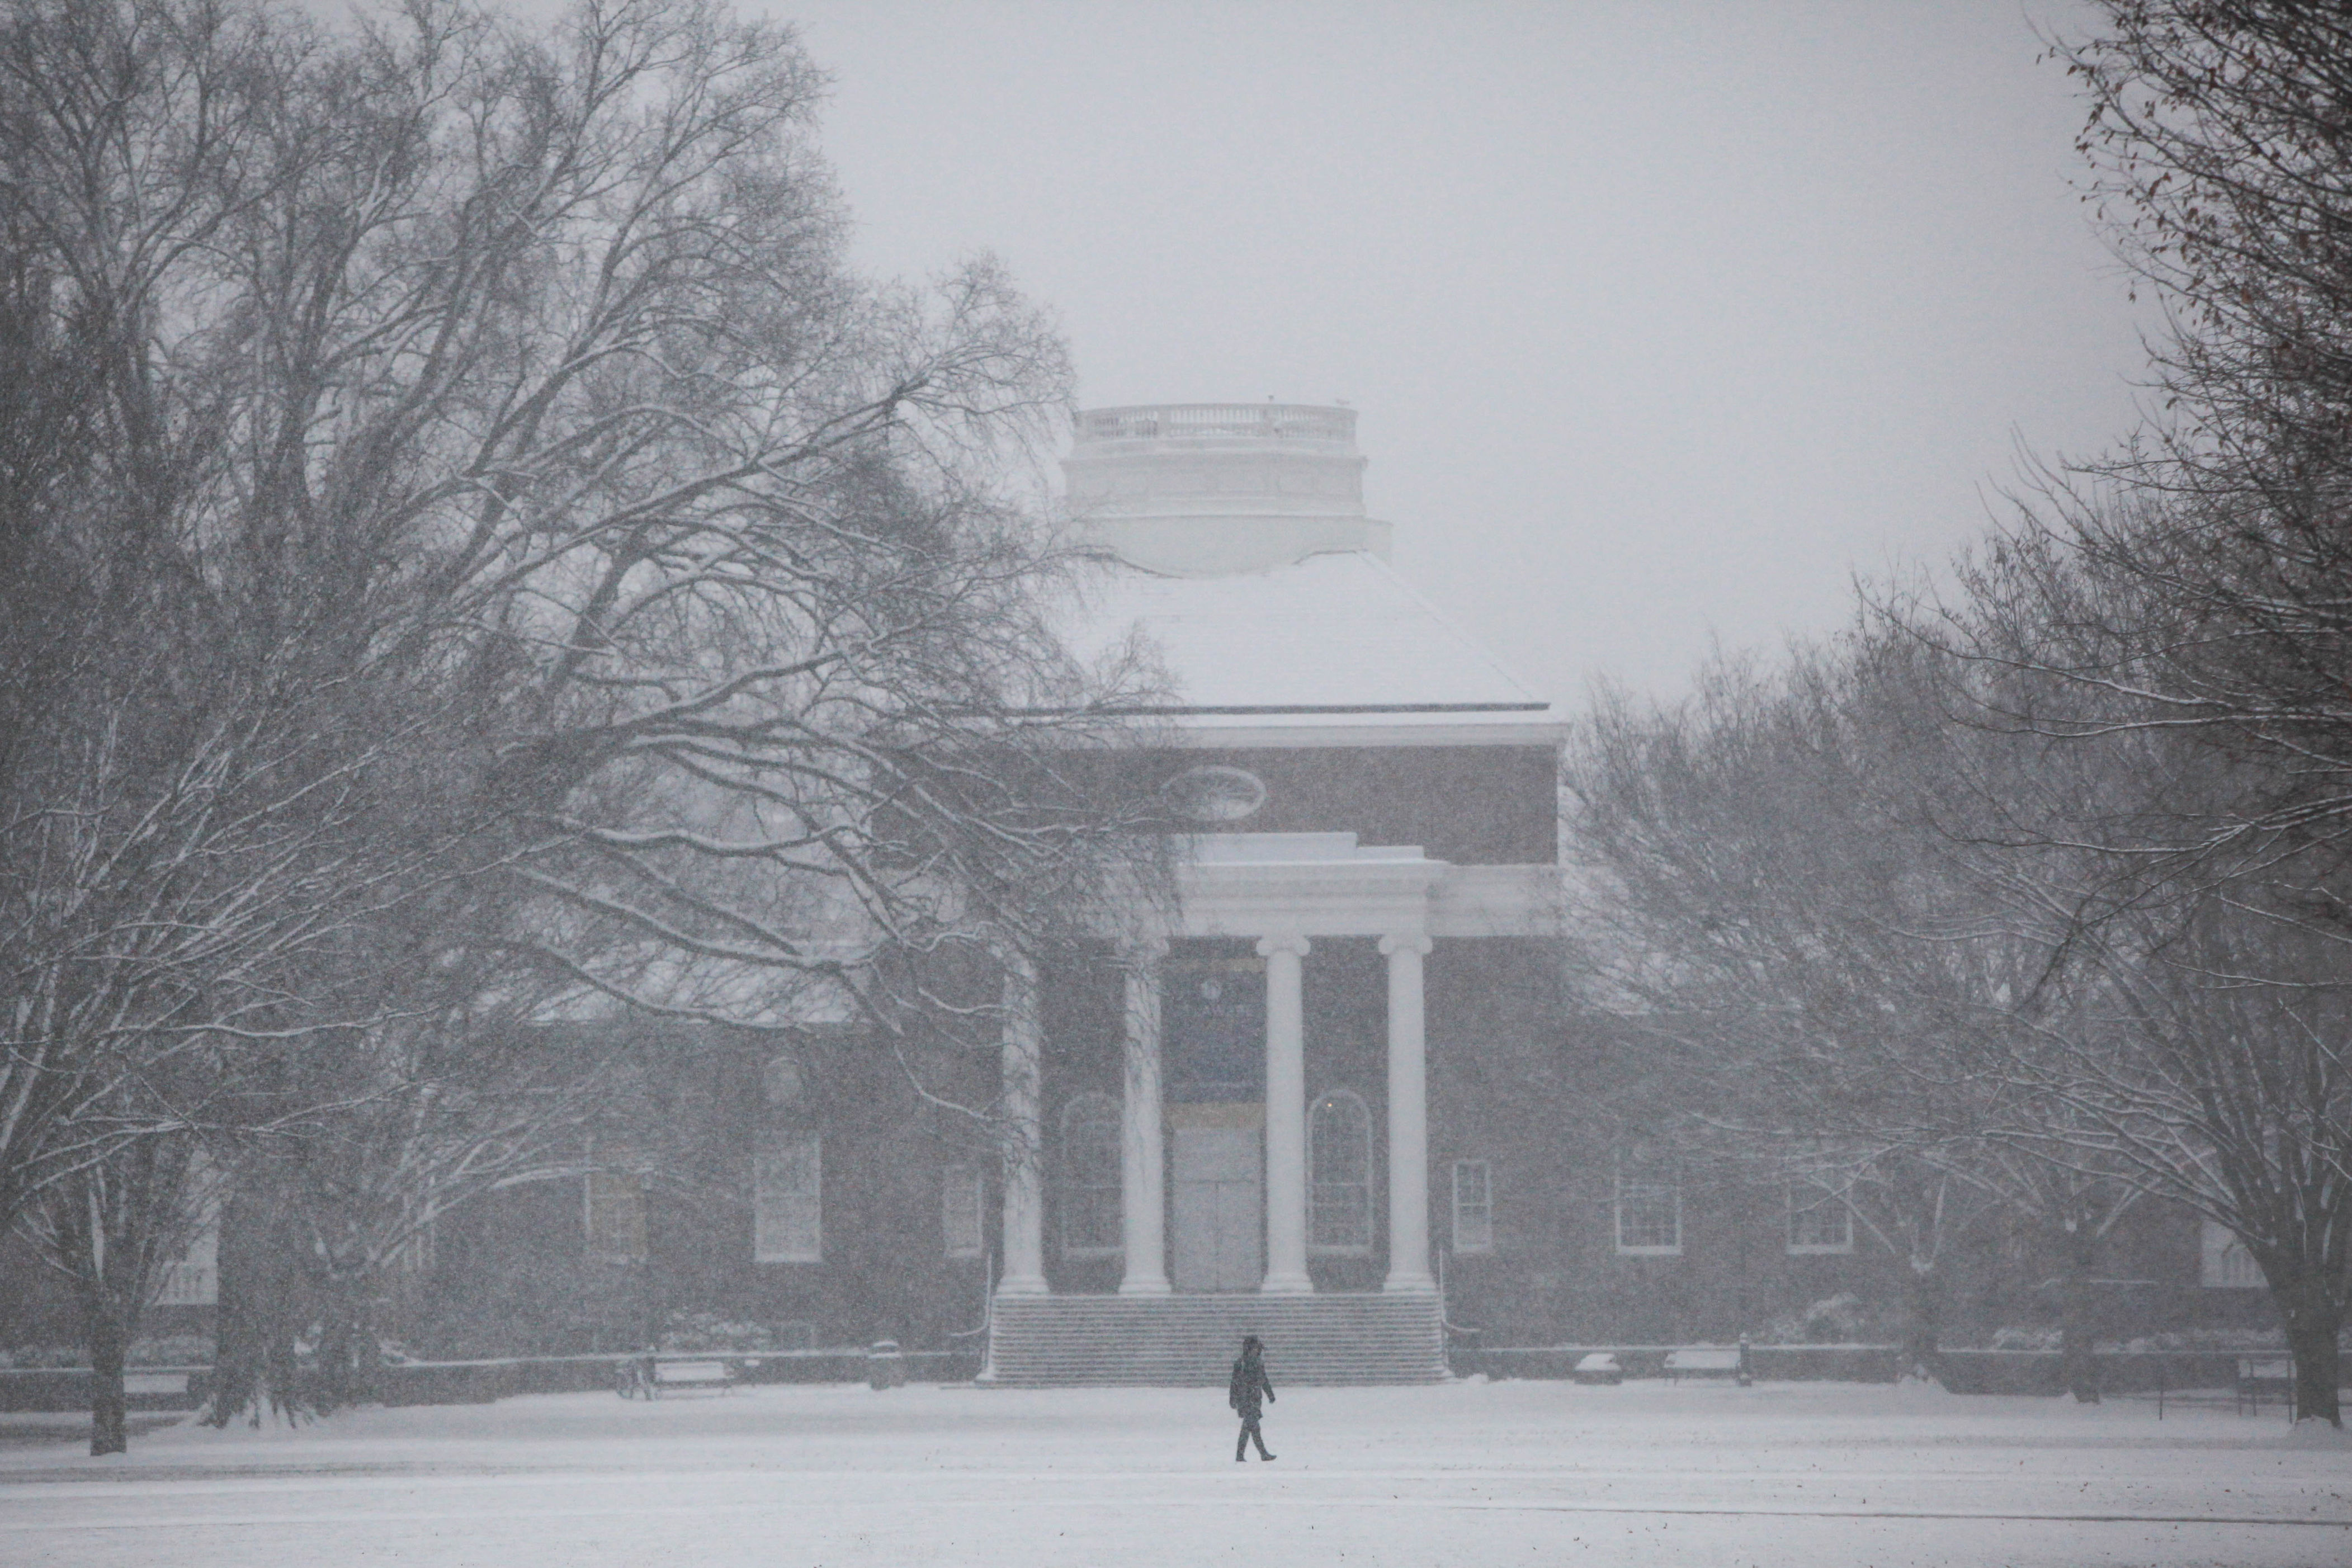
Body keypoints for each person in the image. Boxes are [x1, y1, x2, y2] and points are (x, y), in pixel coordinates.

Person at [1228, 1334, 1276, 1461]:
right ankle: (1262, 1454)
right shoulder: (1241, 1364)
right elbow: (1234, 1383)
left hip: (1255, 1399)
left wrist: (1270, 1394)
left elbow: (1264, 1380)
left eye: (1257, 1348)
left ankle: (1242, 1455)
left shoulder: (1258, 1363)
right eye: (1254, 1348)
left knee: (1249, 1428)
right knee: (1253, 1427)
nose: (1256, 1351)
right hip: (1245, 1400)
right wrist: (1233, 1398)